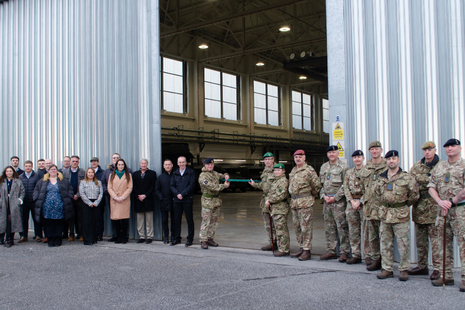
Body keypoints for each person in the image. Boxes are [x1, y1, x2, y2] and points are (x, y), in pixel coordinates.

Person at [374, 150, 419, 281]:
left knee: (403, 243)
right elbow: (377, 194)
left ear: (398, 160)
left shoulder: (407, 177)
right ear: (386, 161)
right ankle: (387, 269)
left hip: (400, 214)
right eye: (388, 159)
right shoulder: (381, 177)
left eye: (393, 159)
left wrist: (402, 205)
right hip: (385, 214)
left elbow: (414, 195)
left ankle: (404, 269)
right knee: (385, 243)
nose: (391, 161)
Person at [428, 139, 465, 292]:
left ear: (460, 148)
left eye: (453, 146)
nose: (449, 148)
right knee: (443, 245)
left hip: (460, 211)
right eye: (447, 146)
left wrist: (452, 201)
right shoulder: (440, 166)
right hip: (442, 210)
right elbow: (431, 186)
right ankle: (446, 275)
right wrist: (439, 201)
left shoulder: (463, 165)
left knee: (463, 245)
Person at [408, 141, 441, 280]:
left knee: (436, 240)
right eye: (425, 150)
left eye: (430, 149)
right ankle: (422, 266)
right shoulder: (416, 166)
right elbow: (410, 182)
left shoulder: (441, 166)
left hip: (434, 206)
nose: (427, 152)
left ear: (434, 150)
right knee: (420, 240)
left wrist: (420, 182)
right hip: (419, 206)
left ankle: (438, 268)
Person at [288, 150, 321, 261]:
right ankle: (301, 247)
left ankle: (307, 250)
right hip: (294, 203)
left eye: (300, 157)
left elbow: (316, 186)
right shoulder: (293, 170)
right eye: (296, 157)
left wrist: (310, 197)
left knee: (306, 227)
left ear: (304, 158)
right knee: (297, 227)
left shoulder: (309, 170)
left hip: (305, 202)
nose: (298, 158)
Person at [359, 141, 387, 271]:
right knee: (373, 236)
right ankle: (375, 259)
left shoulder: (388, 166)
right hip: (370, 208)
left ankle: (386, 262)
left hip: (384, 208)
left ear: (381, 150)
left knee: (386, 236)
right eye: (372, 149)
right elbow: (361, 187)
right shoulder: (365, 168)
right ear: (369, 152)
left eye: (377, 149)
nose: (374, 151)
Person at [319, 145, 350, 262]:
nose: (331, 154)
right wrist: (324, 196)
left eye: (333, 152)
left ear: (337, 153)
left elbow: (345, 185)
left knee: (341, 227)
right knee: (329, 227)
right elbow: (321, 184)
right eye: (329, 153)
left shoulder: (343, 167)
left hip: (339, 203)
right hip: (327, 202)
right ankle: (331, 251)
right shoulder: (324, 167)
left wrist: (335, 198)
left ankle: (344, 252)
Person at [33, 165, 74, 247]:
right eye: (51, 169)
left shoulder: (63, 180)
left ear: (57, 170)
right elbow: (36, 190)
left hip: (60, 206)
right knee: (48, 223)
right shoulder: (43, 181)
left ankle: (58, 239)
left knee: (59, 223)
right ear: (48, 171)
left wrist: (69, 198)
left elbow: (70, 190)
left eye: (54, 169)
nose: (53, 171)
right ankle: (50, 239)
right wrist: (37, 199)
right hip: (47, 206)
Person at [198, 158, 229, 249]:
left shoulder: (215, 174)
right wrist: (224, 185)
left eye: (211, 164)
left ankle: (210, 238)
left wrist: (226, 175)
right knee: (206, 221)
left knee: (214, 222)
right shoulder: (203, 176)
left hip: (216, 201)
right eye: (208, 164)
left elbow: (222, 176)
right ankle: (203, 240)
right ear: (205, 165)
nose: (210, 166)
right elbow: (211, 187)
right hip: (207, 201)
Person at [248, 152, 277, 251]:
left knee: (278, 224)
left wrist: (272, 198)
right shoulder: (265, 171)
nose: (268, 161)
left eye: (270, 159)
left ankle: (281, 245)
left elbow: (281, 186)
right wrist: (254, 184)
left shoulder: (277, 170)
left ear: (273, 159)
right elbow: (264, 186)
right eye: (266, 160)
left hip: (275, 201)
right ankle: (272, 243)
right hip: (265, 201)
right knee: (268, 224)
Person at [101, 153, 132, 242]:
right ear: (116, 165)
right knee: (116, 220)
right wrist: (115, 197)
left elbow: (130, 187)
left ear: (124, 165)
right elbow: (109, 187)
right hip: (114, 199)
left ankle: (124, 237)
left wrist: (122, 197)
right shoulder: (111, 175)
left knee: (124, 220)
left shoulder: (128, 175)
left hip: (124, 200)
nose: (121, 166)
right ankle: (118, 237)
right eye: (119, 164)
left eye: (122, 164)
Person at [343, 150, 367, 264]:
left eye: (359, 157)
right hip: (351, 203)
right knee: (353, 231)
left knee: (367, 231)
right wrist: (352, 201)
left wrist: (360, 201)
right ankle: (355, 254)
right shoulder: (349, 172)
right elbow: (346, 188)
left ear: (363, 158)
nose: (357, 159)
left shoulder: (367, 172)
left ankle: (368, 256)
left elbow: (370, 188)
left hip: (364, 204)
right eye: (355, 157)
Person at [265, 163, 289, 257]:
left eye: (279, 170)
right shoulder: (276, 181)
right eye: (275, 170)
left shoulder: (283, 181)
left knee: (281, 229)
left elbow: (281, 195)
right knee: (278, 229)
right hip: (275, 208)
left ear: (283, 171)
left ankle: (284, 249)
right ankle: (280, 247)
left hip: (281, 208)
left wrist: (270, 200)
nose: (276, 172)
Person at [170, 156, 196, 246]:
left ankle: (190, 239)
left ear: (186, 163)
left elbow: (192, 185)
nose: (181, 164)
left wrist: (183, 194)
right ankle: (177, 238)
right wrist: (177, 194)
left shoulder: (191, 172)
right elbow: (172, 186)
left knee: (189, 219)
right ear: (177, 163)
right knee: (177, 219)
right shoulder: (175, 173)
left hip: (187, 199)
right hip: (177, 200)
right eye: (180, 162)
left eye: (183, 162)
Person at [132, 159, 157, 244]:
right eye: (142, 163)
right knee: (140, 220)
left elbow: (153, 186)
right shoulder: (135, 174)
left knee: (149, 220)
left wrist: (145, 195)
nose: (143, 165)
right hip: (138, 200)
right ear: (140, 164)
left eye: (145, 163)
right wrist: (138, 196)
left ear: (147, 164)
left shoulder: (152, 173)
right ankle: (141, 236)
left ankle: (149, 237)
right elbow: (133, 186)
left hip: (148, 199)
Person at [61, 155, 85, 241]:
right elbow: (64, 186)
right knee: (70, 217)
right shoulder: (65, 173)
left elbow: (84, 185)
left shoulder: (83, 172)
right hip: (70, 198)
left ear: (78, 162)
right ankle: (71, 234)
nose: (75, 163)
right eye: (73, 161)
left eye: (76, 161)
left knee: (80, 217)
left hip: (80, 197)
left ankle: (80, 234)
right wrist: (71, 195)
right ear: (70, 162)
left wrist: (77, 195)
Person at [0, 166, 25, 247]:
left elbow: (22, 192)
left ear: (13, 172)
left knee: (11, 221)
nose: (9, 173)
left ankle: (9, 239)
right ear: (5, 173)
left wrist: (19, 200)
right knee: (3, 222)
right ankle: (1, 239)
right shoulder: (1, 181)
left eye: (10, 171)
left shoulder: (18, 181)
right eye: (7, 171)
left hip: (14, 204)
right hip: (3, 204)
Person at [18, 160, 42, 243]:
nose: (28, 167)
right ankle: (24, 236)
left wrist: (35, 198)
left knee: (36, 219)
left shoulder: (36, 176)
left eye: (29, 166)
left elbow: (38, 188)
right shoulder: (20, 176)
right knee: (24, 219)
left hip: (33, 201)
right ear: (24, 167)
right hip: (24, 201)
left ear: (32, 167)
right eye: (26, 166)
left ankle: (38, 235)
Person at [79, 168, 103, 245]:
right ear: (86, 174)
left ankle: (94, 238)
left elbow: (101, 193)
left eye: (92, 172)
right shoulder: (82, 182)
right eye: (89, 172)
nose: (90, 174)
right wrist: (89, 203)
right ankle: (87, 239)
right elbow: (82, 193)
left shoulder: (98, 182)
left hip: (96, 203)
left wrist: (96, 202)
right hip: (86, 203)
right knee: (87, 222)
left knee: (94, 221)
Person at [155, 159, 175, 244]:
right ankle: (166, 237)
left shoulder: (176, 176)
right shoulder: (160, 177)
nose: (167, 166)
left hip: (174, 202)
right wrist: (161, 198)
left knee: (174, 220)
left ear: (172, 165)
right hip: (164, 202)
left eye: (169, 164)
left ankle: (174, 237)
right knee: (164, 220)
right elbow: (156, 189)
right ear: (163, 166)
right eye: (166, 164)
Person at [90, 157, 106, 241]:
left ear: (98, 162)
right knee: (91, 218)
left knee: (99, 218)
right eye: (92, 162)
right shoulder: (88, 172)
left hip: (100, 198)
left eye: (95, 161)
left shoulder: (102, 172)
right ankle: (93, 234)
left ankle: (100, 234)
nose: (93, 163)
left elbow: (103, 184)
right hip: (90, 199)